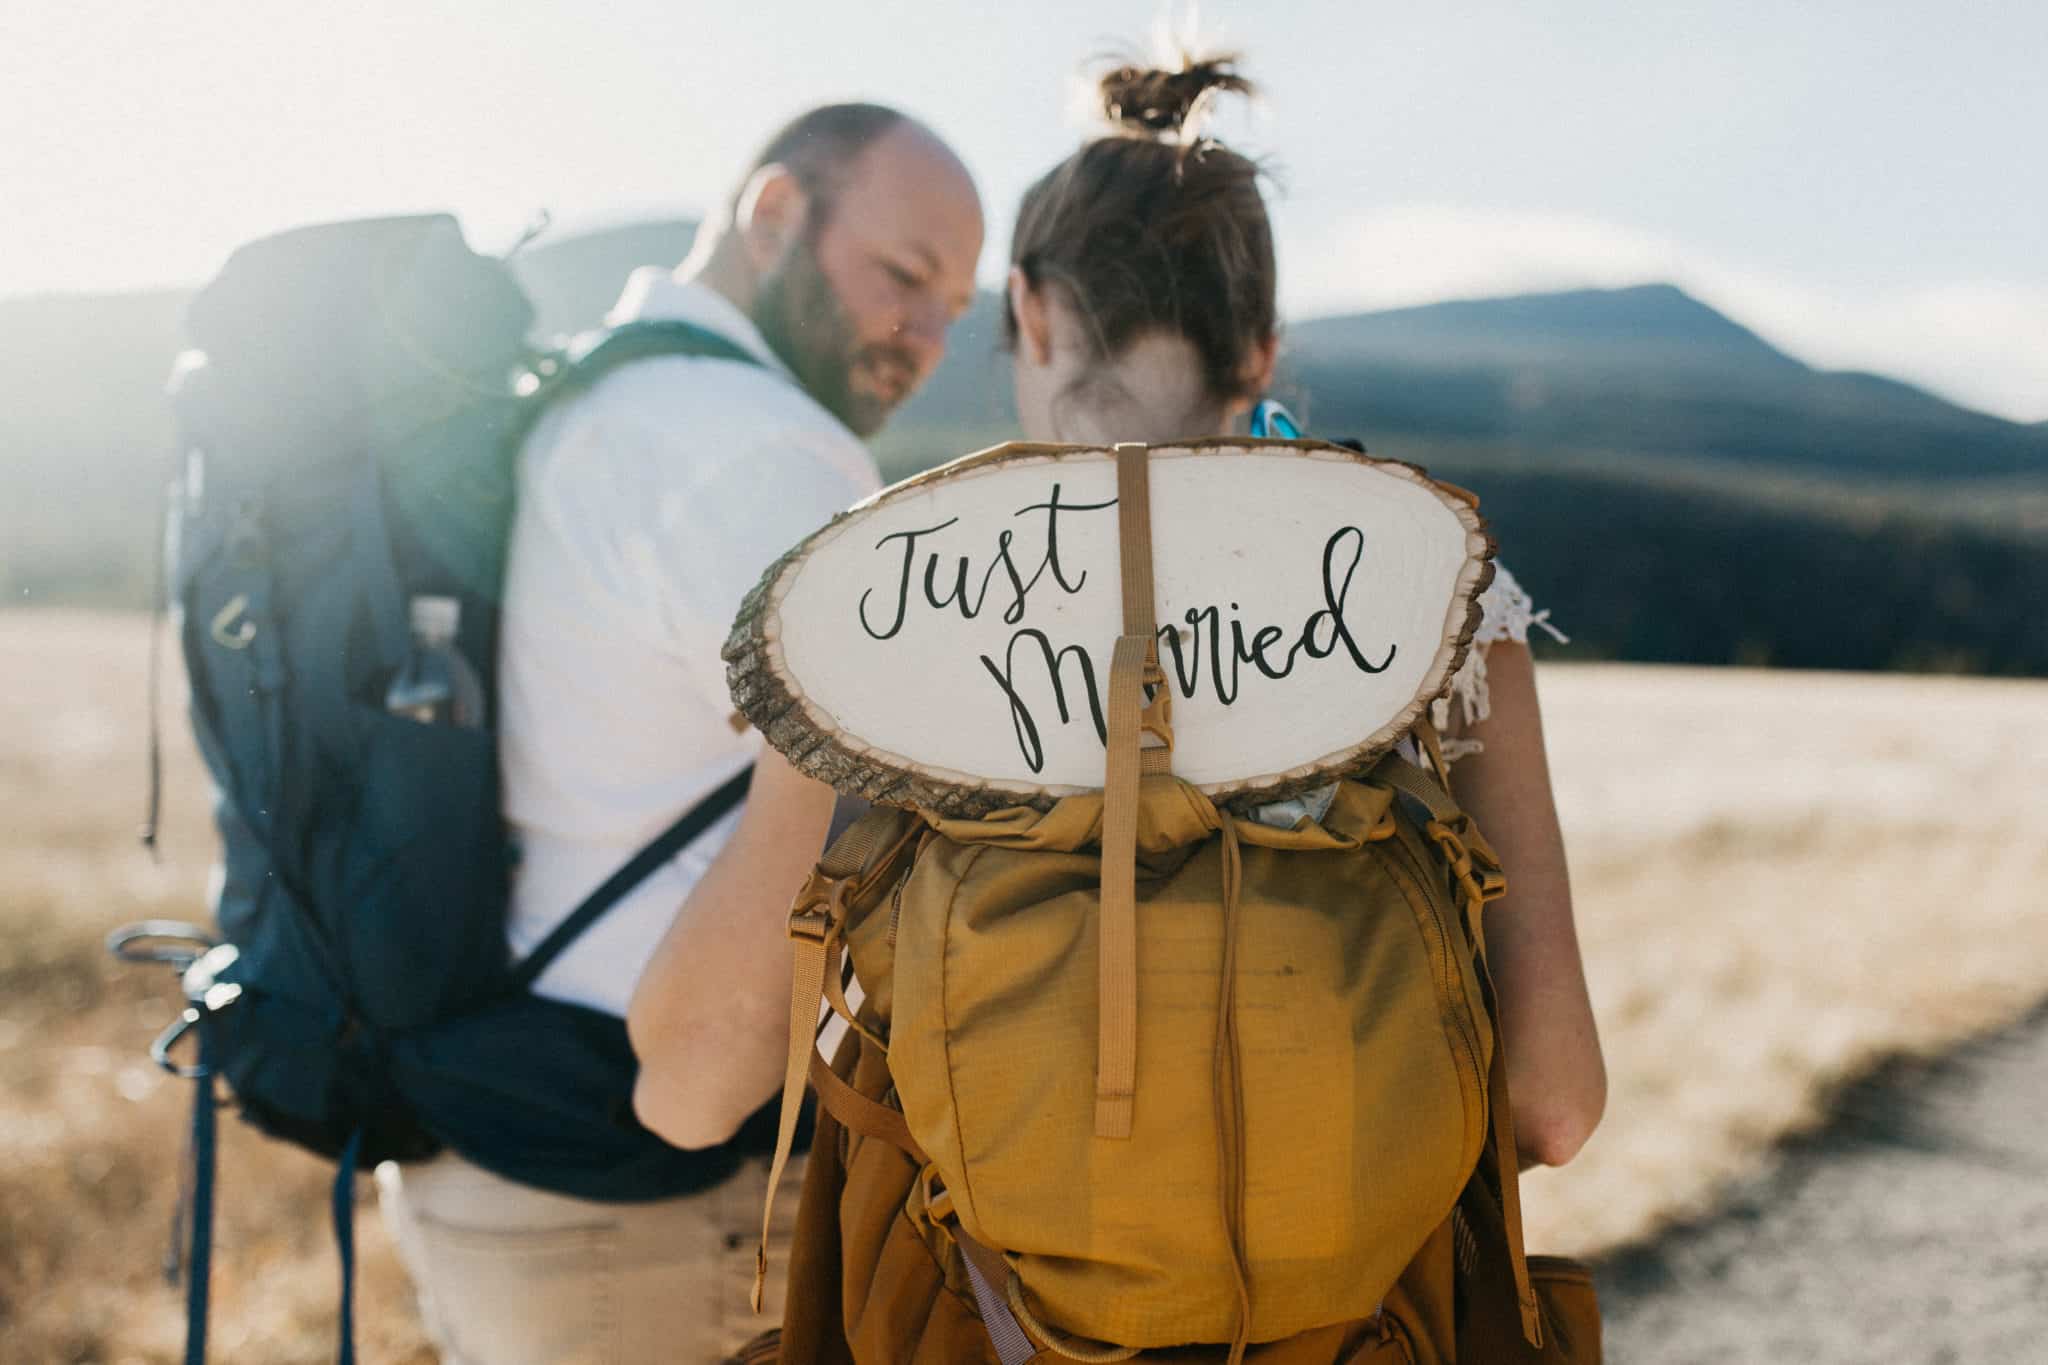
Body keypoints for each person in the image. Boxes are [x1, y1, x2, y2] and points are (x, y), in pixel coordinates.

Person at [374, 103, 983, 1365]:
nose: (923, 336)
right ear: (774, 215)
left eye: (954, 308)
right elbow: (926, 789)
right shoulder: (752, 448)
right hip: (646, 1196)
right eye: (902, 278)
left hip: (520, 1140)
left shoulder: (609, 393)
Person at [1002, 54, 1606, 1174]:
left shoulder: (912, 600)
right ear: (1263, 346)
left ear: (1030, 314)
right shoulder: (1443, 594)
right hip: (1346, 1326)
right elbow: (1550, 1102)